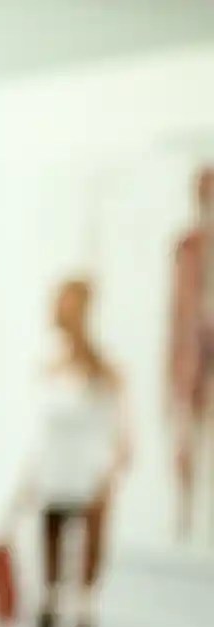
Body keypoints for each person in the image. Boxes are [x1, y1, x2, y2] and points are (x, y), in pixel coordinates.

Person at [0, 278, 131, 627]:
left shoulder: (104, 374)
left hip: (88, 485)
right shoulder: (52, 370)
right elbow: (42, 442)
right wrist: (23, 494)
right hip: (54, 483)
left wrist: (103, 486)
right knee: (50, 584)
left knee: (83, 586)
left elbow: (118, 438)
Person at [168, 167, 214, 542]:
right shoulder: (188, 246)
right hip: (193, 353)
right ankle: (186, 512)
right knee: (188, 434)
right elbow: (178, 309)